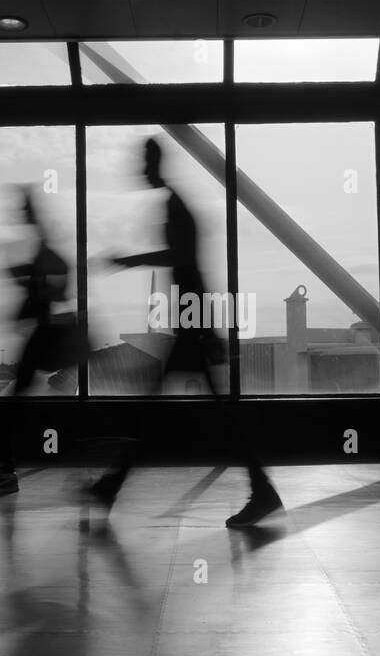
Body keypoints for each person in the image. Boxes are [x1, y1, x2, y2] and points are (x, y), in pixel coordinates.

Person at [89, 137, 282, 528]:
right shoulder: (175, 203)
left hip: (191, 327)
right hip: (192, 325)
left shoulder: (174, 205)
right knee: (181, 412)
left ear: (155, 163)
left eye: (143, 160)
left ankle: (262, 490)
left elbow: (181, 259)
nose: (138, 168)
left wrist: (129, 260)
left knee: (163, 412)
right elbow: (188, 263)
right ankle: (261, 489)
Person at [0, 186, 87, 495]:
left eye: (23, 210)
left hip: (44, 335)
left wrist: (18, 282)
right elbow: (48, 283)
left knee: (10, 406)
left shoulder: (43, 249)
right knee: (17, 404)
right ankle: (9, 470)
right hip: (47, 334)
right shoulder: (45, 251)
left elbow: (43, 286)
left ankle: (6, 471)